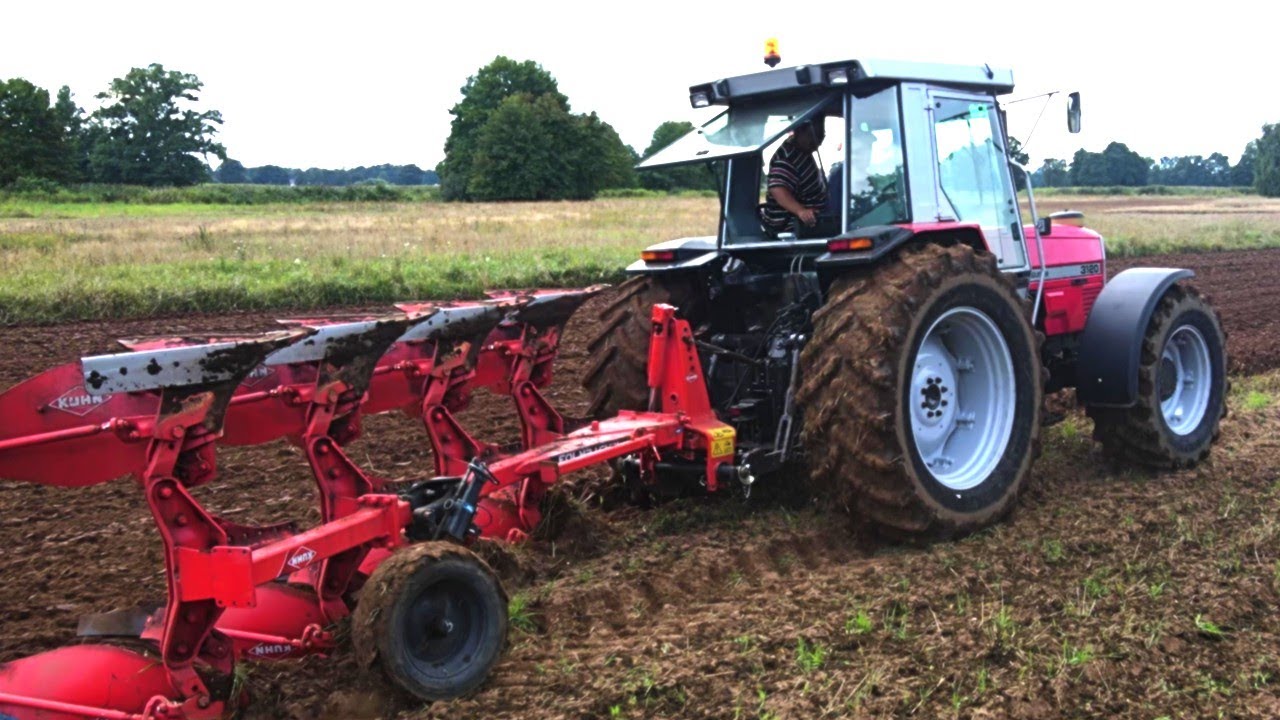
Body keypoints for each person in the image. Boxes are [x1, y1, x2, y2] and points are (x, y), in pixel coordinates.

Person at [760, 119, 828, 236]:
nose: (818, 141)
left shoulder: (803, 151)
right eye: (814, 136)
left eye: (822, 136)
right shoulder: (786, 158)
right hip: (791, 228)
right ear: (799, 131)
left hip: (811, 224)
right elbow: (777, 189)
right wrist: (801, 211)